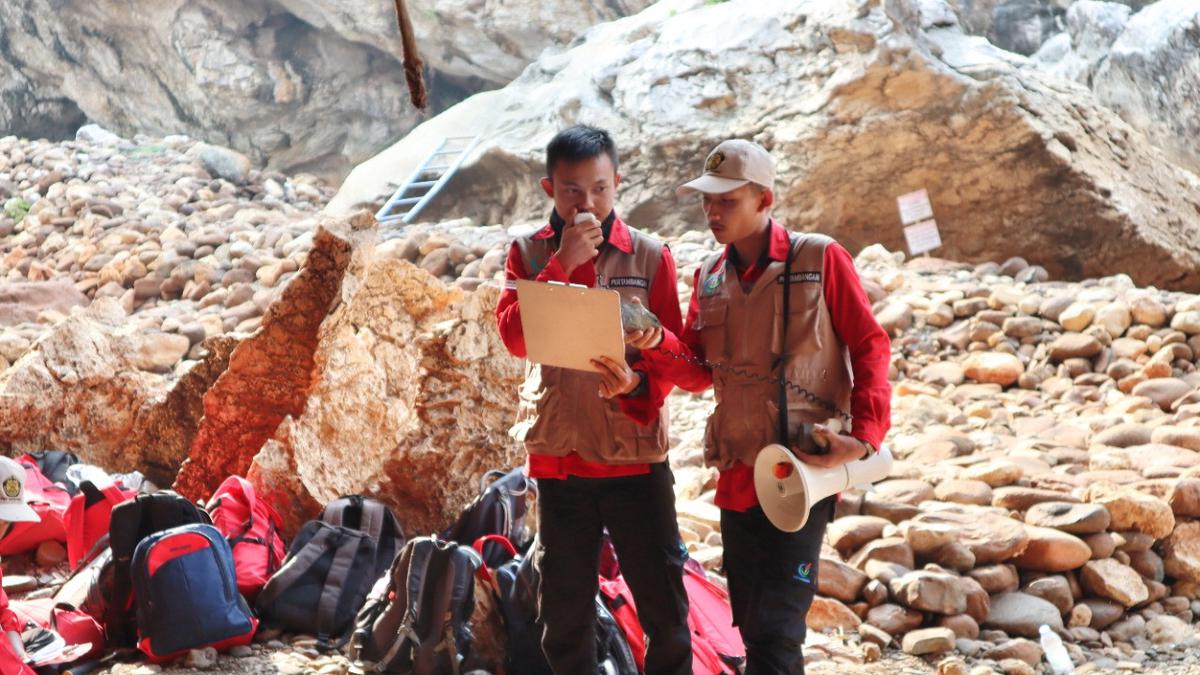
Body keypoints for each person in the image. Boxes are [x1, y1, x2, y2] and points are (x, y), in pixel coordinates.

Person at [636, 139, 892, 674]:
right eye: (707, 200)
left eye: (727, 200)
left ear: (765, 199)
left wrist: (865, 436)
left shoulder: (821, 257)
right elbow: (697, 374)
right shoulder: (708, 275)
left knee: (776, 630)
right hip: (735, 474)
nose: (712, 212)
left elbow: (870, 344)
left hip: (801, 471)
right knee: (752, 624)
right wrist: (655, 341)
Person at [494, 124, 692, 674]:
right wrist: (560, 265)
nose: (589, 203)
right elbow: (513, 339)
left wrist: (643, 371)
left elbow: (679, 358)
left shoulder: (649, 255)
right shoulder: (529, 252)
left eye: (601, 189)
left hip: (635, 457)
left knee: (665, 613)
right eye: (573, 191)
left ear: (618, 182)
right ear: (548, 189)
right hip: (561, 461)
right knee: (564, 618)